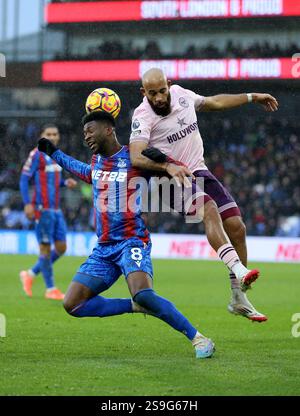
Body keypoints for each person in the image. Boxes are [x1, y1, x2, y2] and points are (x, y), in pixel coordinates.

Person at [37, 110, 215, 359]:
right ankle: (134, 306)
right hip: (104, 249)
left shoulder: (134, 157)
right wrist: (54, 153)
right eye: (84, 133)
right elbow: (82, 171)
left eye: (90, 131)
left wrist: (166, 161)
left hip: (132, 241)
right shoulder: (96, 162)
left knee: (143, 292)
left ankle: (199, 338)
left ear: (108, 129)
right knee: (73, 304)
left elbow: (173, 168)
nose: (86, 137)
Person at [129, 68, 279, 322]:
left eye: (162, 91)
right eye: (152, 93)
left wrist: (253, 96)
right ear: (144, 92)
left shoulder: (182, 95)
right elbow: (136, 154)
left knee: (237, 226)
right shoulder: (142, 116)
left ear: (169, 85)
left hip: (199, 172)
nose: (158, 98)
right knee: (208, 209)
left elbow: (215, 102)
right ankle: (239, 270)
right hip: (170, 180)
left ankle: (238, 298)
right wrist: (167, 165)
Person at [19, 124, 77, 300]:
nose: (52, 137)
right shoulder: (36, 154)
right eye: (48, 134)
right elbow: (24, 180)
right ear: (42, 136)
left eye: (55, 134)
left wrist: (65, 183)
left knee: (61, 248)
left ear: (58, 137)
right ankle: (50, 289)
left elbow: (52, 182)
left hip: (56, 209)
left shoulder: (56, 156)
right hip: (41, 208)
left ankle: (30, 273)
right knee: (45, 249)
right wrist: (27, 203)